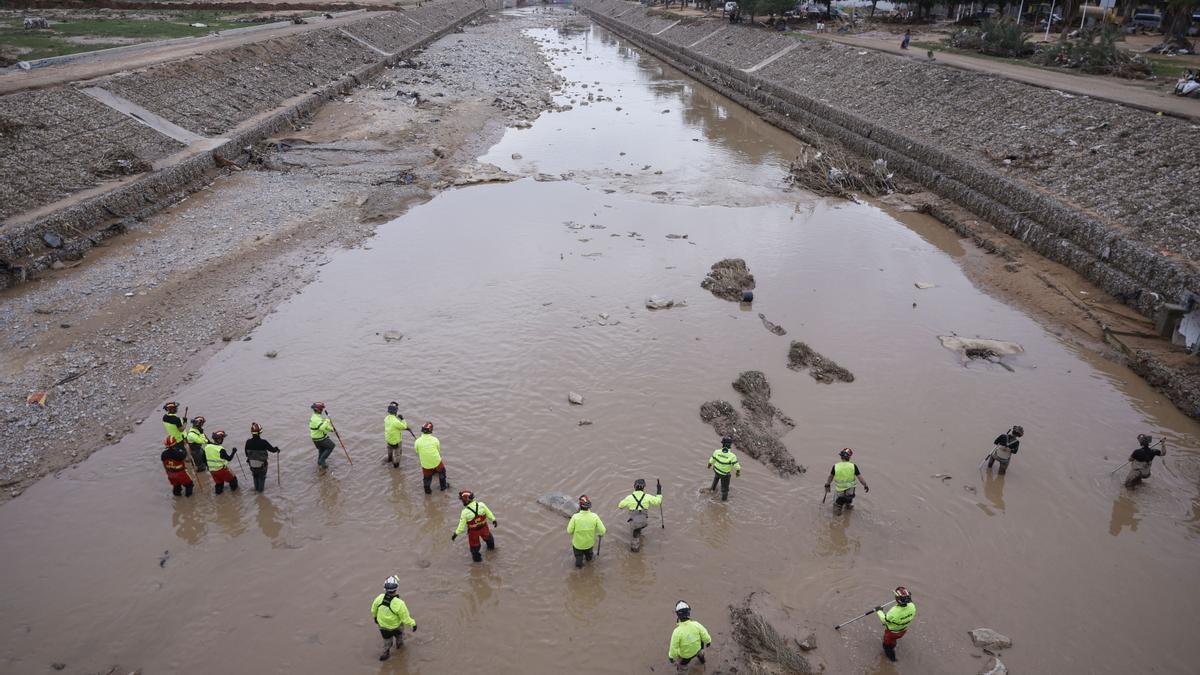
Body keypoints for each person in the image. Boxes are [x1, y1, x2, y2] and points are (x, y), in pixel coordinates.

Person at [371, 575, 417, 661]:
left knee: (387, 641)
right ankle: (399, 647)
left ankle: (385, 653)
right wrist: (413, 624)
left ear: (385, 588)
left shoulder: (379, 598)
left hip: (383, 627)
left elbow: (373, 610)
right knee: (399, 637)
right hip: (397, 626)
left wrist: (375, 618)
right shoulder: (400, 603)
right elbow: (405, 619)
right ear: (396, 588)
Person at [452, 490, 498, 562]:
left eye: (463, 500)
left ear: (466, 501)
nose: (462, 502)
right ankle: (492, 552)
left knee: (474, 548)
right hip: (484, 528)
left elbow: (461, 527)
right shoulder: (482, 505)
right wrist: (494, 520)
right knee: (489, 539)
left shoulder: (464, 512)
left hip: (473, 532)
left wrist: (455, 534)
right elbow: (489, 513)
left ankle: (478, 562)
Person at [617, 478, 662, 552]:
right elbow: (658, 502)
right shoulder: (647, 496)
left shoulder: (629, 497)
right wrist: (659, 491)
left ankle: (635, 552)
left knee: (634, 539)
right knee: (639, 526)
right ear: (644, 487)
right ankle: (639, 532)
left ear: (634, 487)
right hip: (644, 522)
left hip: (634, 523)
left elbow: (620, 506)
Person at [668, 601, 711, 671]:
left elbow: (673, 647)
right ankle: (702, 660)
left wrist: (671, 657)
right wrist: (708, 641)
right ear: (689, 613)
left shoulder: (676, 632)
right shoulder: (696, 624)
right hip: (698, 649)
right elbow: (705, 634)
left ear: (677, 615)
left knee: (683, 664)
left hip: (686, 655)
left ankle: (683, 669)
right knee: (700, 651)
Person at [876, 587, 916, 661]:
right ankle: (893, 644)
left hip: (892, 633)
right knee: (893, 640)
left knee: (887, 646)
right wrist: (907, 596)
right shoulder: (912, 606)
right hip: (903, 631)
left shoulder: (894, 612)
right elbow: (910, 602)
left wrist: (879, 611)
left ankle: (892, 659)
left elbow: (884, 620)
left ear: (898, 600)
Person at [824, 448, 870, 513]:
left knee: (837, 506)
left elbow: (830, 477)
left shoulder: (836, 466)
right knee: (848, 502)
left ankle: (837, 517)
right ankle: (848, 509)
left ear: (841, 456)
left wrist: (827, 484)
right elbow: (860, 478)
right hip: (850, 491)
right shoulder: (853, 466)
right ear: (849, 457)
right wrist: (865, 485)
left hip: (839, 490)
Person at [567, 495, 606, 568]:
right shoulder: (595, 516)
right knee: (589, 558)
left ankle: (579, 571)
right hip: (589, 544)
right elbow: (603, 530)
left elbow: (569, 531)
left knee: (578, 561)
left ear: (580, 506)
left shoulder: (575, 517)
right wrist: (600, 534)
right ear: (589, 506)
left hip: (578, 545)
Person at [414, 422, 448, 494]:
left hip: (425, 465)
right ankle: (443, 487)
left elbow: (417, 451)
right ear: (431, 430)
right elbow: (438, 450)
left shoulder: (417, 441)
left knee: (427, 478)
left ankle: (427, 491)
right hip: (436, 462)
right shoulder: (435, 439)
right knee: (442, 473)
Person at [244, 422, 279, 492]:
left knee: (255, 476)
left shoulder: (248, 442)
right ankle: (260, 495)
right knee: (261, 479)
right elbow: (272, 450)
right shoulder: (264, 442)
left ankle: (256, 491)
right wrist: (277, 449)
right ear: (260, 432)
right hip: (262, 467)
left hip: (252, 466)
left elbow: (246, 454)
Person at [204, 430, 240, 494]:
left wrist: (208, 466)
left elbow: (203, 459)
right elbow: (229, 459)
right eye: (222, 438)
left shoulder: (207, 447)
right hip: (221, 470)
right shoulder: (220, 449)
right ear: (219, 439)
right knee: (233, 480)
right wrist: (233, 452)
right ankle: (235, 495)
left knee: (219, 484)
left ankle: (218, 496)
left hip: (212, 471)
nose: (223, 440)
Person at [708, 437, 741, 501]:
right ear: (730, 445)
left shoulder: (716, 452)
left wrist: (709, 465)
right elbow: (737, 467)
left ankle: (712, 489)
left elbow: (711, 460)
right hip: (725, 474)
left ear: (722, 444)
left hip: (716, 470)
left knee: (716, 478)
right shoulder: (732, 456)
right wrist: (738, 472)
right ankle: (724, 501)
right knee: (725, 489)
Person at [309, 402, 336, 469]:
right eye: (321, 409)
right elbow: (322, 427)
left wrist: (331, 429)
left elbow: (323, 425)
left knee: (322, 450)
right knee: (331, 446)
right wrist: (328, 420)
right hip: (319, 439)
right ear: (318, 410)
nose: (322, 410)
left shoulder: (317, 416)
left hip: (316, 438)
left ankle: (320, 463)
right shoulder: (316, 418)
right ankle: (322, 460)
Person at [384, 402, 410, 469]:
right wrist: (402, 419)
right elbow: (404, 427)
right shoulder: (396, 421)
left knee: (390, 451)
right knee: (397, 454)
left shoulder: (386, 418)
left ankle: (389, 460)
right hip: (396, 441)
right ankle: (396, 466)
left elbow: (392, 424)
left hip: (388, 439)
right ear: (396, 411)